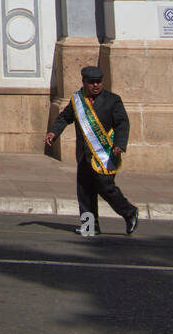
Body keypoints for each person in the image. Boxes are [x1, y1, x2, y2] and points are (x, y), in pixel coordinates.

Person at [45, 65, 139, 236]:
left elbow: (122, 123)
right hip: (84, 155)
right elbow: (65, 118)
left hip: (105, 155)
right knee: (85, 191)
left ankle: (129, 212)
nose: (96, 85)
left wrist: (119, 144)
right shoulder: (77, 100)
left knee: (106, 187)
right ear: (84, 82)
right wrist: (53, 132)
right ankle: (90, 226)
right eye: (92, 82)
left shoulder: (113, 100)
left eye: (99, 82)